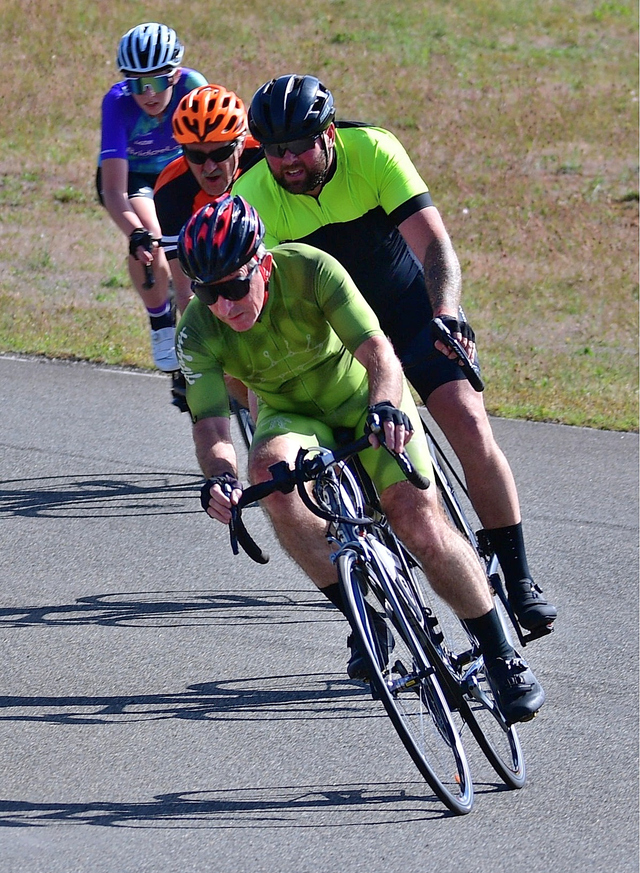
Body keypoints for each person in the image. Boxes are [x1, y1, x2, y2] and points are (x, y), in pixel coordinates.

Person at [175, 194, 545, 726]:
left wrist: (386, 408)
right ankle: (363, 615)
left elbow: (378, 353)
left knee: (419, 524)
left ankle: (501, 652)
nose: (225, 306)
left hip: (364, 396)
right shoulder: (197, 330)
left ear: (265, 264)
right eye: (208, 292)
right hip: (290, 416)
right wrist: (220, 478)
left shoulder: (311, 270)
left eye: (234, 286)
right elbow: (210, 423)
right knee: (268, 478)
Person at [232, 74, 557, 636]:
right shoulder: (252, 195)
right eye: (274, 148)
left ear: (328, 134)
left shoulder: (373, 149)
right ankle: (372, 599)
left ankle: (518, 572)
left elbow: (434, 246)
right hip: (332, 336)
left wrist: (447, 312)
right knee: (336, 465)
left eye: (298, 145)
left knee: (467, 417)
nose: (286, 160)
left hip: (406, 310)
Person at [97, 22, 207, 372]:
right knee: (153, 238)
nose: (147, 94)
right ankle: (161, 321)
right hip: (134, 179)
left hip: (182, 170)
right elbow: (114, 190)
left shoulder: (193, 87)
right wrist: (135, 235)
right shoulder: (117, 103)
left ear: (174, 76)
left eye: (157, 81)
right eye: (136, 83)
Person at [154, 84, 262, 313]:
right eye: (196, 155)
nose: (209, 167)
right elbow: (186, 292)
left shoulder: (265, 159)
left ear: (241, 143)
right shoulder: (171, 191)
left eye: (220, 153)